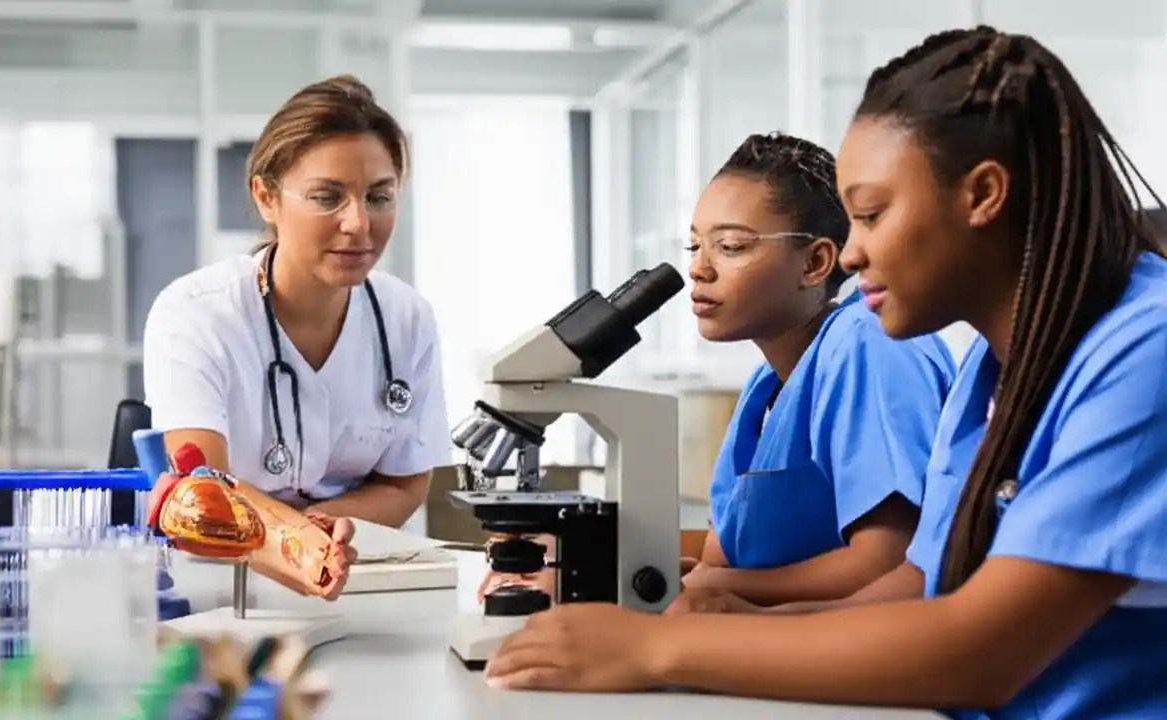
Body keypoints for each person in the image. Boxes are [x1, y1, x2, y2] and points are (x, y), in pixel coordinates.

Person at [482, 26, 1167, 719]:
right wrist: (729, 625)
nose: (851, 254)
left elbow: (981, 653)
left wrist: (654, 650)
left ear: (982, 194)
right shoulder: (996, 369)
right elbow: (922, 586)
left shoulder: (1147, 350)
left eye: (868, 215)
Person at [477, 133, 955, 609]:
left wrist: (715, 588)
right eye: (694, 247)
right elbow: (723, 559)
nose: (699, 270)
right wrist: (573, 556)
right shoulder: (767, 386)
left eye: (729, 246)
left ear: (815, 262)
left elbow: (891, 562)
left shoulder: (871, 345)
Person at [142, 76, 451, 592]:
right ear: (266, 197)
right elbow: (204, 493)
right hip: (223, 585)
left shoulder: (406, 318)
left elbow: (404, 482)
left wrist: (320, 531)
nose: (358, 223)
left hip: (361, 579)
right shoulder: (196, 314)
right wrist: (295, 542)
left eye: (379, 196)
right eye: (327, 197)